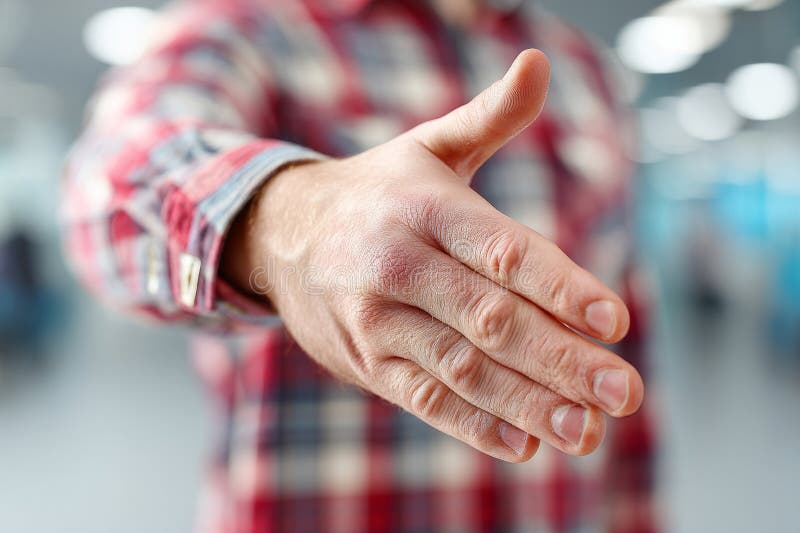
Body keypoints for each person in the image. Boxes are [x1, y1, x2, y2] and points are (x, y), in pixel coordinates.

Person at [62, 0, 656, 531]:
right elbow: (104, 187)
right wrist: (291, 221)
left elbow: (621, 349)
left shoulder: (584, 68)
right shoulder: (245, 26)